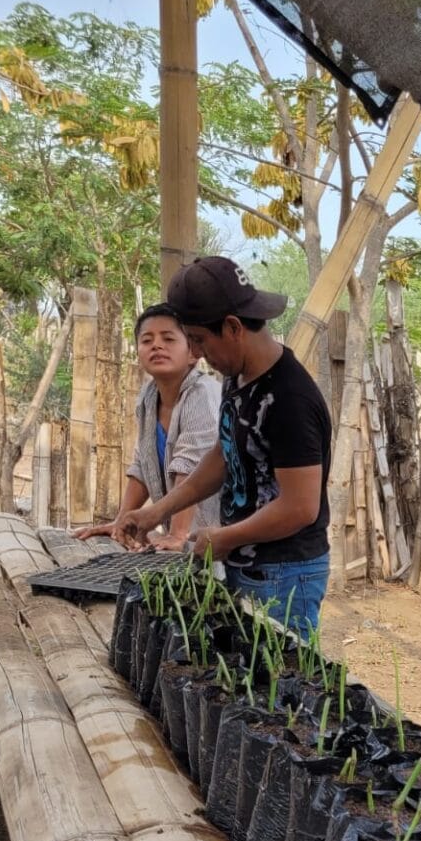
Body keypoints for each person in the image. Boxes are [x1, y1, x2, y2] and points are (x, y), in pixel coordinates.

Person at [113, 256, 332, 632]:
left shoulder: (289, 399)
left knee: (277, 682)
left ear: (232, 327)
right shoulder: (240, 376)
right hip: (246, 563)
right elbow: (222, 457)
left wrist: (224, 536)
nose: (196, 354)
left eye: (198, 340)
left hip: (284, 573)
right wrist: (155, 512)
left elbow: (300, 507)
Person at [75, 303, 221, 548]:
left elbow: (192, 467)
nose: (157, 346)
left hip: (219, 537)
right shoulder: (148, 396)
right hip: (188, 538)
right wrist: (121, 522)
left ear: (193, 352)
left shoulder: (203, 393)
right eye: (147, 340)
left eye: (168, 339)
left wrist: (178, 534)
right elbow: (143, 465)